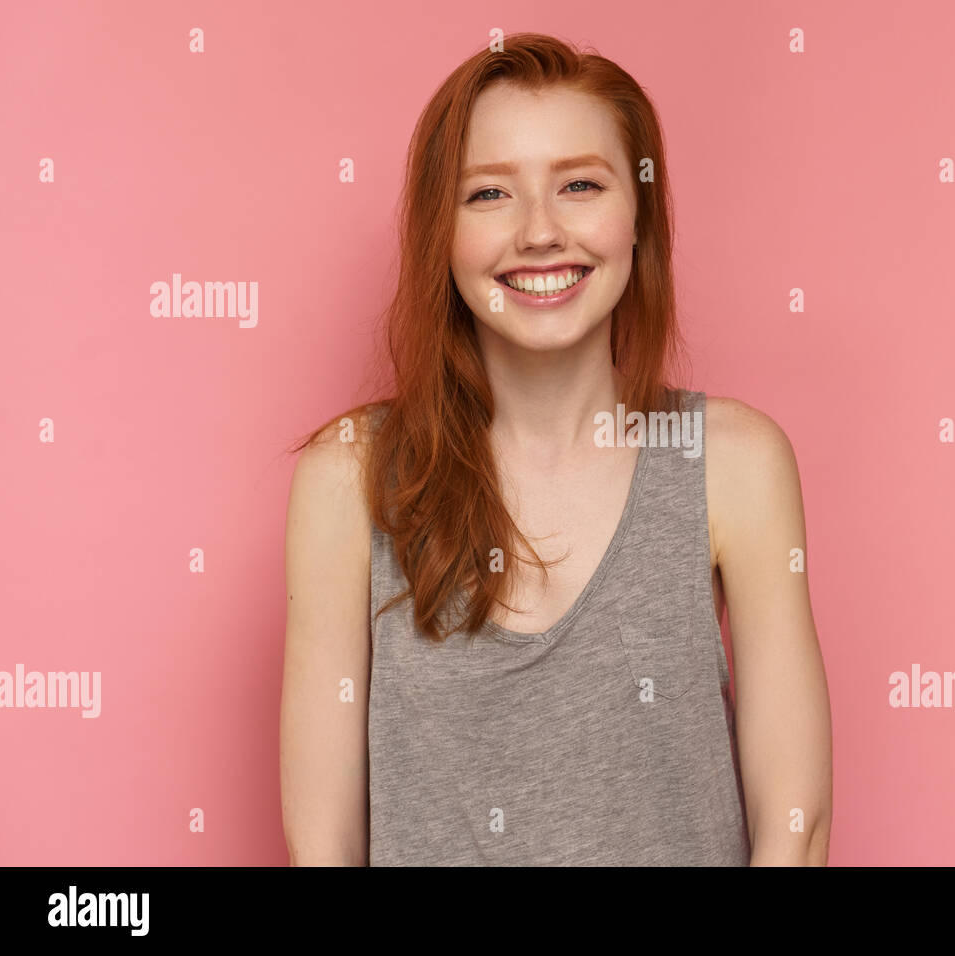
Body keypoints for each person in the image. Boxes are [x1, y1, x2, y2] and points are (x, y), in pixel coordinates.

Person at [279, 32, 831, 866]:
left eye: (580, 184)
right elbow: (321, 847)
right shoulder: (348, 477)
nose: (540, 232)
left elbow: (798, 829)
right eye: (490, 194)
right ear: (441, 233)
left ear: (639, 215)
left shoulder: (735, 465)